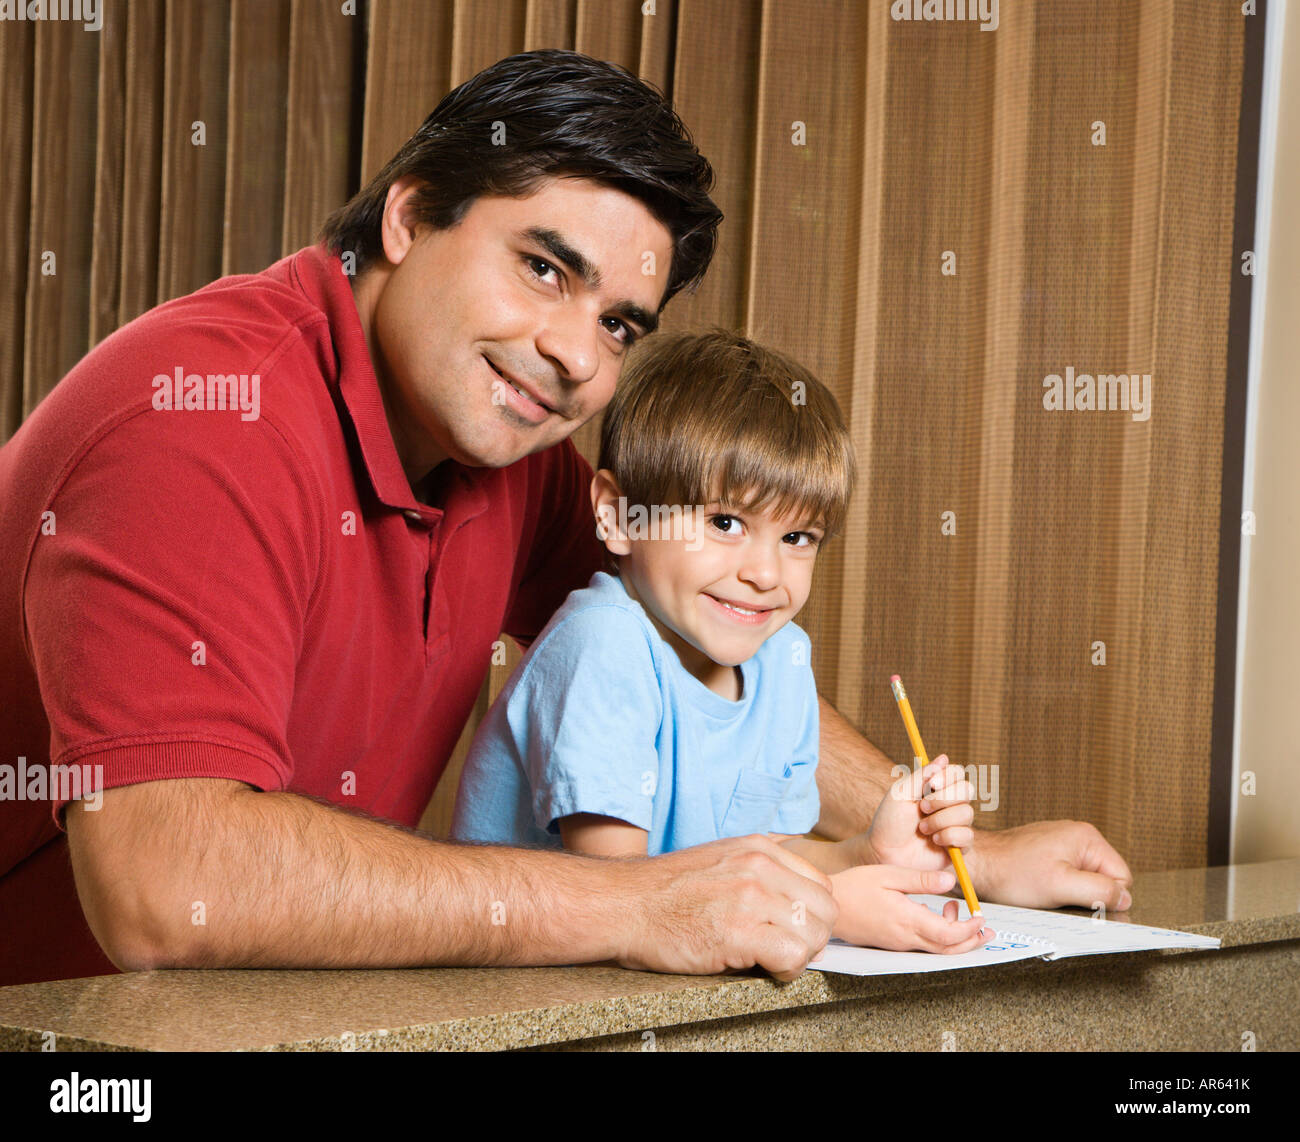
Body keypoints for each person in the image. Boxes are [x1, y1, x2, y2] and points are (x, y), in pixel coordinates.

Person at [0, 49, 1130, 989]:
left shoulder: (509, 448)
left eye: (622, 325)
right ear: (406, 217)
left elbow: (708, 624)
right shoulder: (203, 418)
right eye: (544, 268)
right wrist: (639, 902)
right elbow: (167, 889)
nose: (578, 355)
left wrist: (946, 849)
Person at [453, 330, 992, 953]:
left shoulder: (784, 659)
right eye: (726, 522)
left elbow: (767, 855)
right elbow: (621, 899)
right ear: (617, 516)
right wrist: (832, 905)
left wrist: (863, 853)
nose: (765, 574)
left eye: (798, 538)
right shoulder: (601, 644)